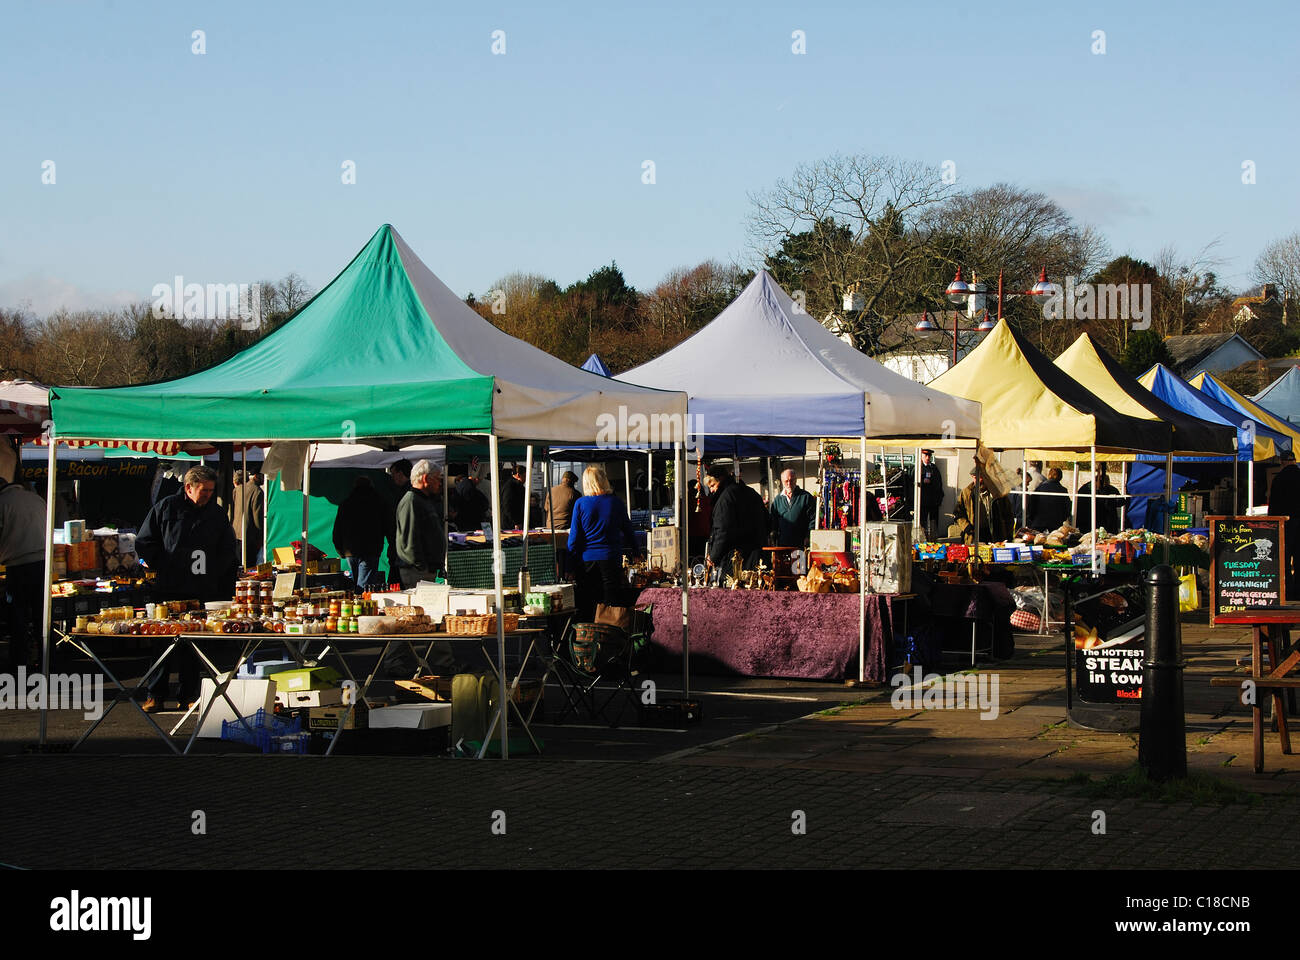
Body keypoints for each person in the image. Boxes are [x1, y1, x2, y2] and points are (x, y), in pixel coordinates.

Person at [136, 465, 238, 711]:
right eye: (204, 490)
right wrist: (162, 564)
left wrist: (218, 575)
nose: (208, 495)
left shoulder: (216, 513)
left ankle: (189, 694)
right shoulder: (166, 507)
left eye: (211, 491)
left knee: (193, 645)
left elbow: (227, 549)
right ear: (189, 487)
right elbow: (144, 541)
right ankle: (156, 695)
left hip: (201, 590)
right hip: (168, 588)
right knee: (162, 642)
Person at [568, 465, 641, 621]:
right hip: (611, 558)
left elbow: (574, 539)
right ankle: (609, 639)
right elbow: (629, 530)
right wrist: (636, 552)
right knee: (611, 605)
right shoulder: (616, 503)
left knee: (588, 604)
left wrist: (570, 565)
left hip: (587, 561)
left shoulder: (580, 504)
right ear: (604, 481)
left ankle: (589, 639)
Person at [1, 439, 47, 673]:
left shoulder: (3, 502)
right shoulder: (35, 499)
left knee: (18, 618)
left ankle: (19, 664)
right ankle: (48, 661)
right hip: (43, 565)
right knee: (41, 618)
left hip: (18, 566)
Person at [705, 464, 768, 570]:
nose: (711, 490)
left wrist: (713, 556)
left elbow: (722, 531)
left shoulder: (725, 498)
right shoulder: (750, 492)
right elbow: (766, 520)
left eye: (713, 485)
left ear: (720, 480)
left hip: (735, 557)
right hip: (757, 553)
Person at [395, 460, 445, 588]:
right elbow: (408, 540)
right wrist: (420, 566)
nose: (440, 483)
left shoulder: (422, 500)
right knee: (421, 607)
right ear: (425, 478)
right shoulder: (411, 501)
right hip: (417, 572)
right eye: (438, 479)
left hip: (423, 570)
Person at [333, 475, 389, 589]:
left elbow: (337, 530)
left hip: (350, 551)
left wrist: (340, 551)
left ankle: (357, 603)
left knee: (357, 584)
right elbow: (387, 526)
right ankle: (361, 605)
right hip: (370, 550)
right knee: (364, 585)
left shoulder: (346, 504)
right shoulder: (379, 502)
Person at [952, 467, 1014, 545]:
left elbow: (1008, 516)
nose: (979, 480)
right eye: (975, 477)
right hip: (974, 535)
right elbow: (958, 514)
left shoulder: (999, 494)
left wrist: (1008, 535)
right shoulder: (966, 493)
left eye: (981, 477)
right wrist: (966, 527)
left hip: (995, 536)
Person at [1268, 451, 1300, 596]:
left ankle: (1287, 589)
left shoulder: (1279, 479)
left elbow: (1273, 505)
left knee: (1285, 557)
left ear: (1282, 462)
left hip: (1285, 524)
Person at [770, 469, 816, 548]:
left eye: (791, 480)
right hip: (783, 545)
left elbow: (813, 519)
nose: (789, 483)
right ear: (782, 482)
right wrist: (772, 537)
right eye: (786, 481)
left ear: (796, 480)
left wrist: (808, 536)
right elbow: (774, 521)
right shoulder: (778, 500)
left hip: (801, 544)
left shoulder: (806, 497)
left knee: (799, 561)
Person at [1077, 465, 1126, 535]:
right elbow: (1122, 501)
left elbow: (1121, 501)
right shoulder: (1110, 489)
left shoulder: (1084, 488)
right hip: (1101, 522)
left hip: (1091, 523)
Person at [1026, 467, 1071, 532]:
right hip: (1056, 522)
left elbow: (1032, 504)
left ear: (1049, 475)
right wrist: (1063, 518)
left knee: (1035, 539)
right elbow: (1067, 508)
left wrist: (1032, 517)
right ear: (1060, 477)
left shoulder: (1039, 488)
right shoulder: (1063, 490)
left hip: (1038, 522)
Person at [917, 449, 944, 539]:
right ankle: (923, 539)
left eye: (929, 456)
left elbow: (939, 483)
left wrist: (939, 498)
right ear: (921, 456)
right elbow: (913, 483)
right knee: (923, 523)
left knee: (934, 523)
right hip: (923, 502)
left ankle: (933, 539)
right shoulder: (918, 468)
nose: (928, 458)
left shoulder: (934, 468)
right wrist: (922, 481)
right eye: (925, 456)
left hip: (933, 502)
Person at [504, 464, 527, 530]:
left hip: (509, 522)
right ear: (518, 475)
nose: (526, 479)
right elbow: (508, 505)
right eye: (525, 476)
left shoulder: (507, 484)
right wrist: (516, 522)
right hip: (511, 524)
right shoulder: (513, 486)